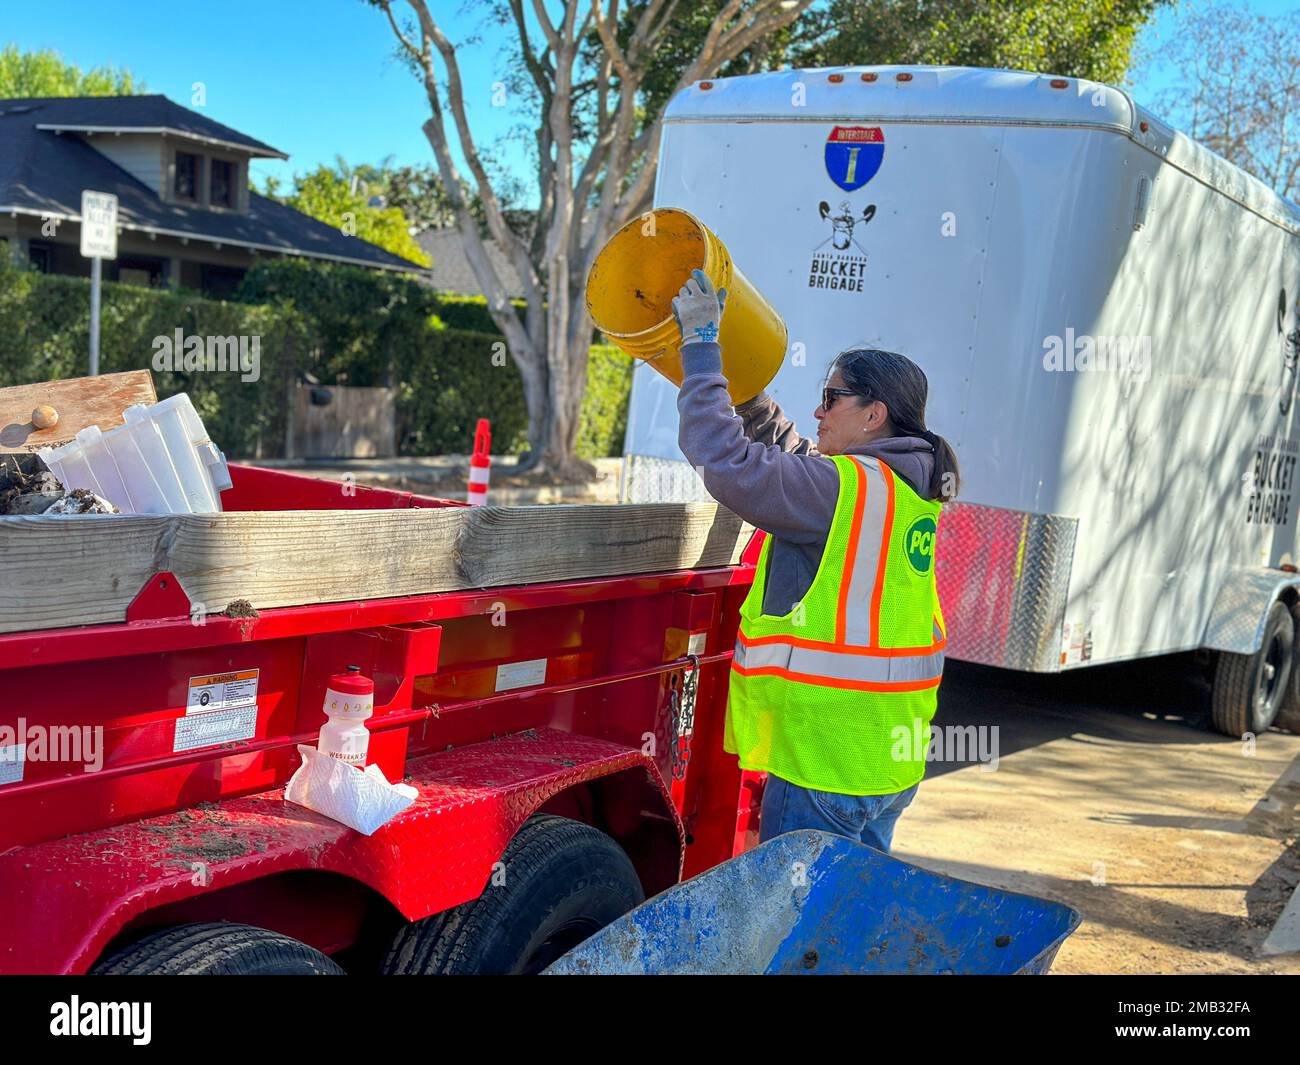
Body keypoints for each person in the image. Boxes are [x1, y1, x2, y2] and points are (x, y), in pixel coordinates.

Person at [671, 268, 960, 851]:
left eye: (831, 398)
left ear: (874, 414)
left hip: (824, 762)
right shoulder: (906, 486)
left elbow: (722, 460)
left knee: (797, 924)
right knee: (844, 917)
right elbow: (800, 463)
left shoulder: (843, 490)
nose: (820, 410)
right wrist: (749, 397)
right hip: (885, 762)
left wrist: (702, 351)